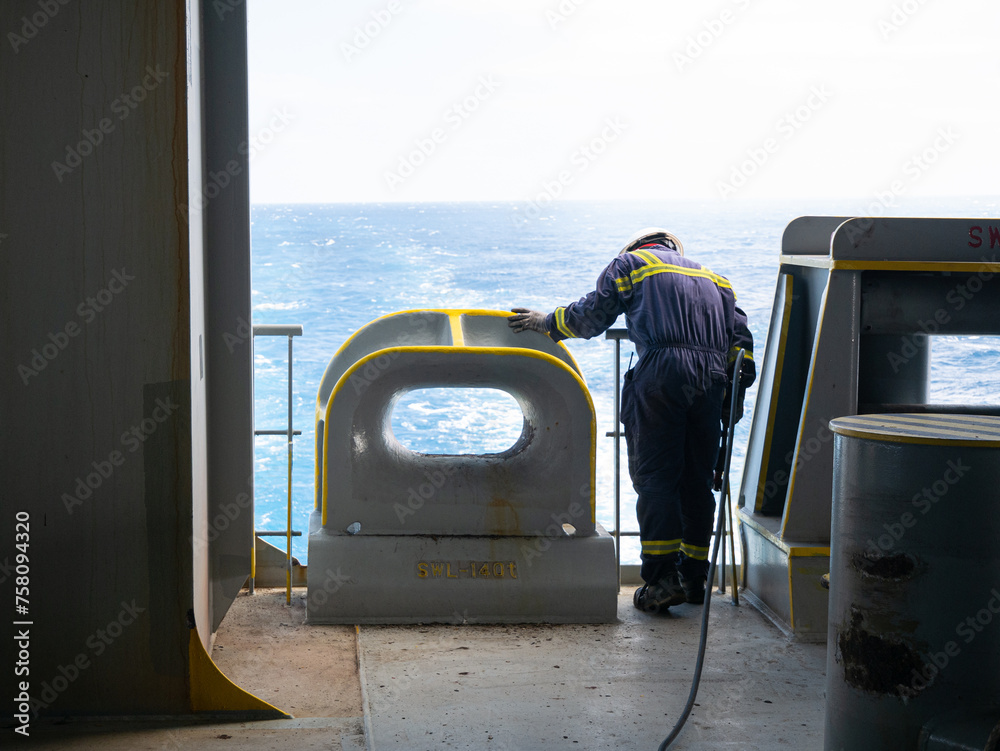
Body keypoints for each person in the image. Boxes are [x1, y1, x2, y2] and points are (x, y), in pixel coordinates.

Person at [508, 228, 754, 614]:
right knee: (697, 482)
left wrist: (547, 322)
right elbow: (742, 351)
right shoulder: (717, 280)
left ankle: (660, 581)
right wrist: (728, 402)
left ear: (639, 246)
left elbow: (591, 317)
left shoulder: (632, 264)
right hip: (711, 382)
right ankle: (693, 576)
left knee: (656, 479)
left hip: (661, 375)